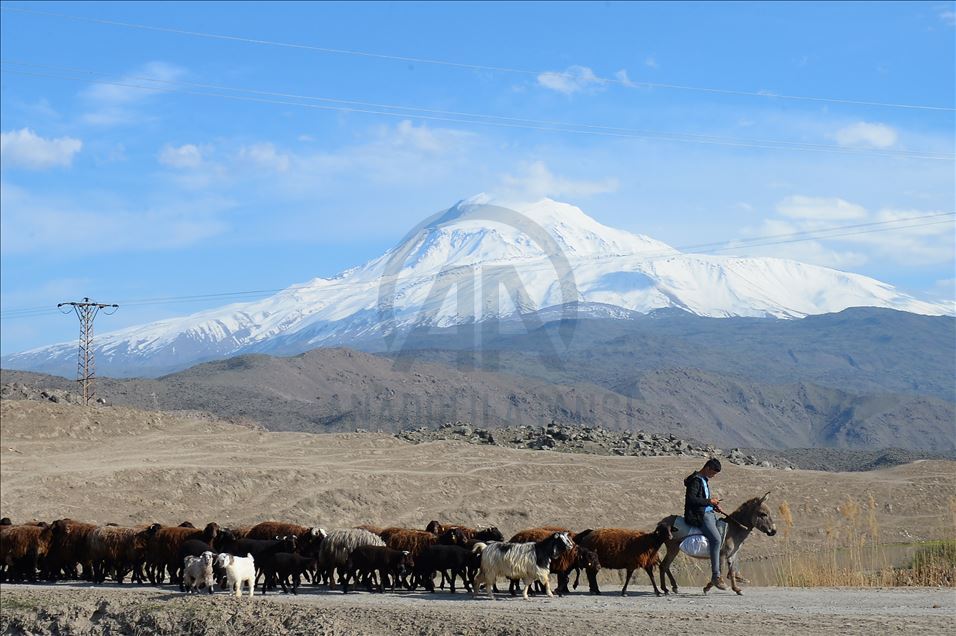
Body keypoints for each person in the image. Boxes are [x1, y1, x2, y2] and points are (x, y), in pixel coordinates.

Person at [684, 458, 728, 590]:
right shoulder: (696, 480)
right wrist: (710, 502)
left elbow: (702, 500)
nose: (713, 476)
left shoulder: (703, 480)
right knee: (716, 539)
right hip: (700, 516)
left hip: (708, 513)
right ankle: (716, 576)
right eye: (713, 473)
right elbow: (691, 500)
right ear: (707, 468)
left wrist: (713, 506)